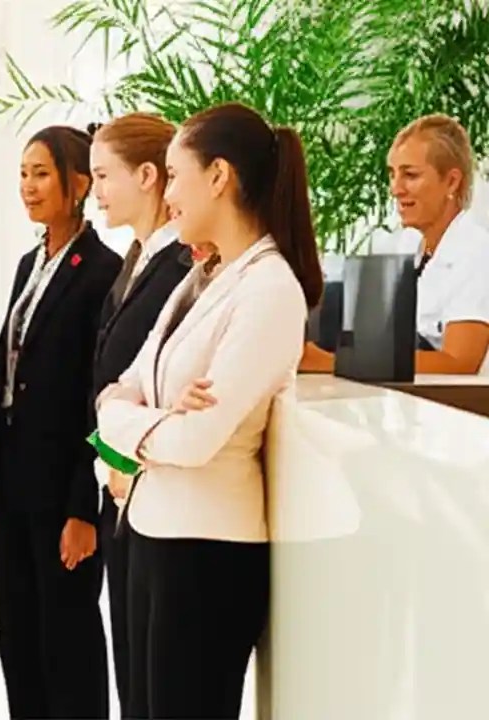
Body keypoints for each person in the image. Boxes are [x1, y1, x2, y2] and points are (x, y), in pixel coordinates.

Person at [95, 102, 323, 719]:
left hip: (206, 557)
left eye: (174, 174)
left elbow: (199, 442)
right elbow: (111, 397)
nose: (167, 194)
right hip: (152, 534)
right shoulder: (202, 279)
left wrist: (137, 420)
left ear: (218, 176)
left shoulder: (270, 289)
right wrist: (154, 417)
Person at [0, 125, 121, 719]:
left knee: (69, 639)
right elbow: (5, 378)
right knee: (19, 635)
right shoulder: (28, 265)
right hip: (13, 485)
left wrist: (83, 509)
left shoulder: (102, 272)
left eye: (41, 173)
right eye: (23, 173)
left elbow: (95, 397)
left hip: (63, 488)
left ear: (79, 184)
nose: (28, 186)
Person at [88, 112, 193, 717]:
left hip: (150, 489)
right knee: (128, 665)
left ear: (149, 176)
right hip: (120, 486)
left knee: (150, 680)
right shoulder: (136, 261)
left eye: (105, 175)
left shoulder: (181, 267)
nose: (95, 189)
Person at [301, 113, 489, 375]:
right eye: (393, 174)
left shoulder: (477, 253)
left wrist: (329, 363)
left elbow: (459, 362)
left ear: (452, 181)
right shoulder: (407, 243)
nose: (396, 189)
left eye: (410, 175)